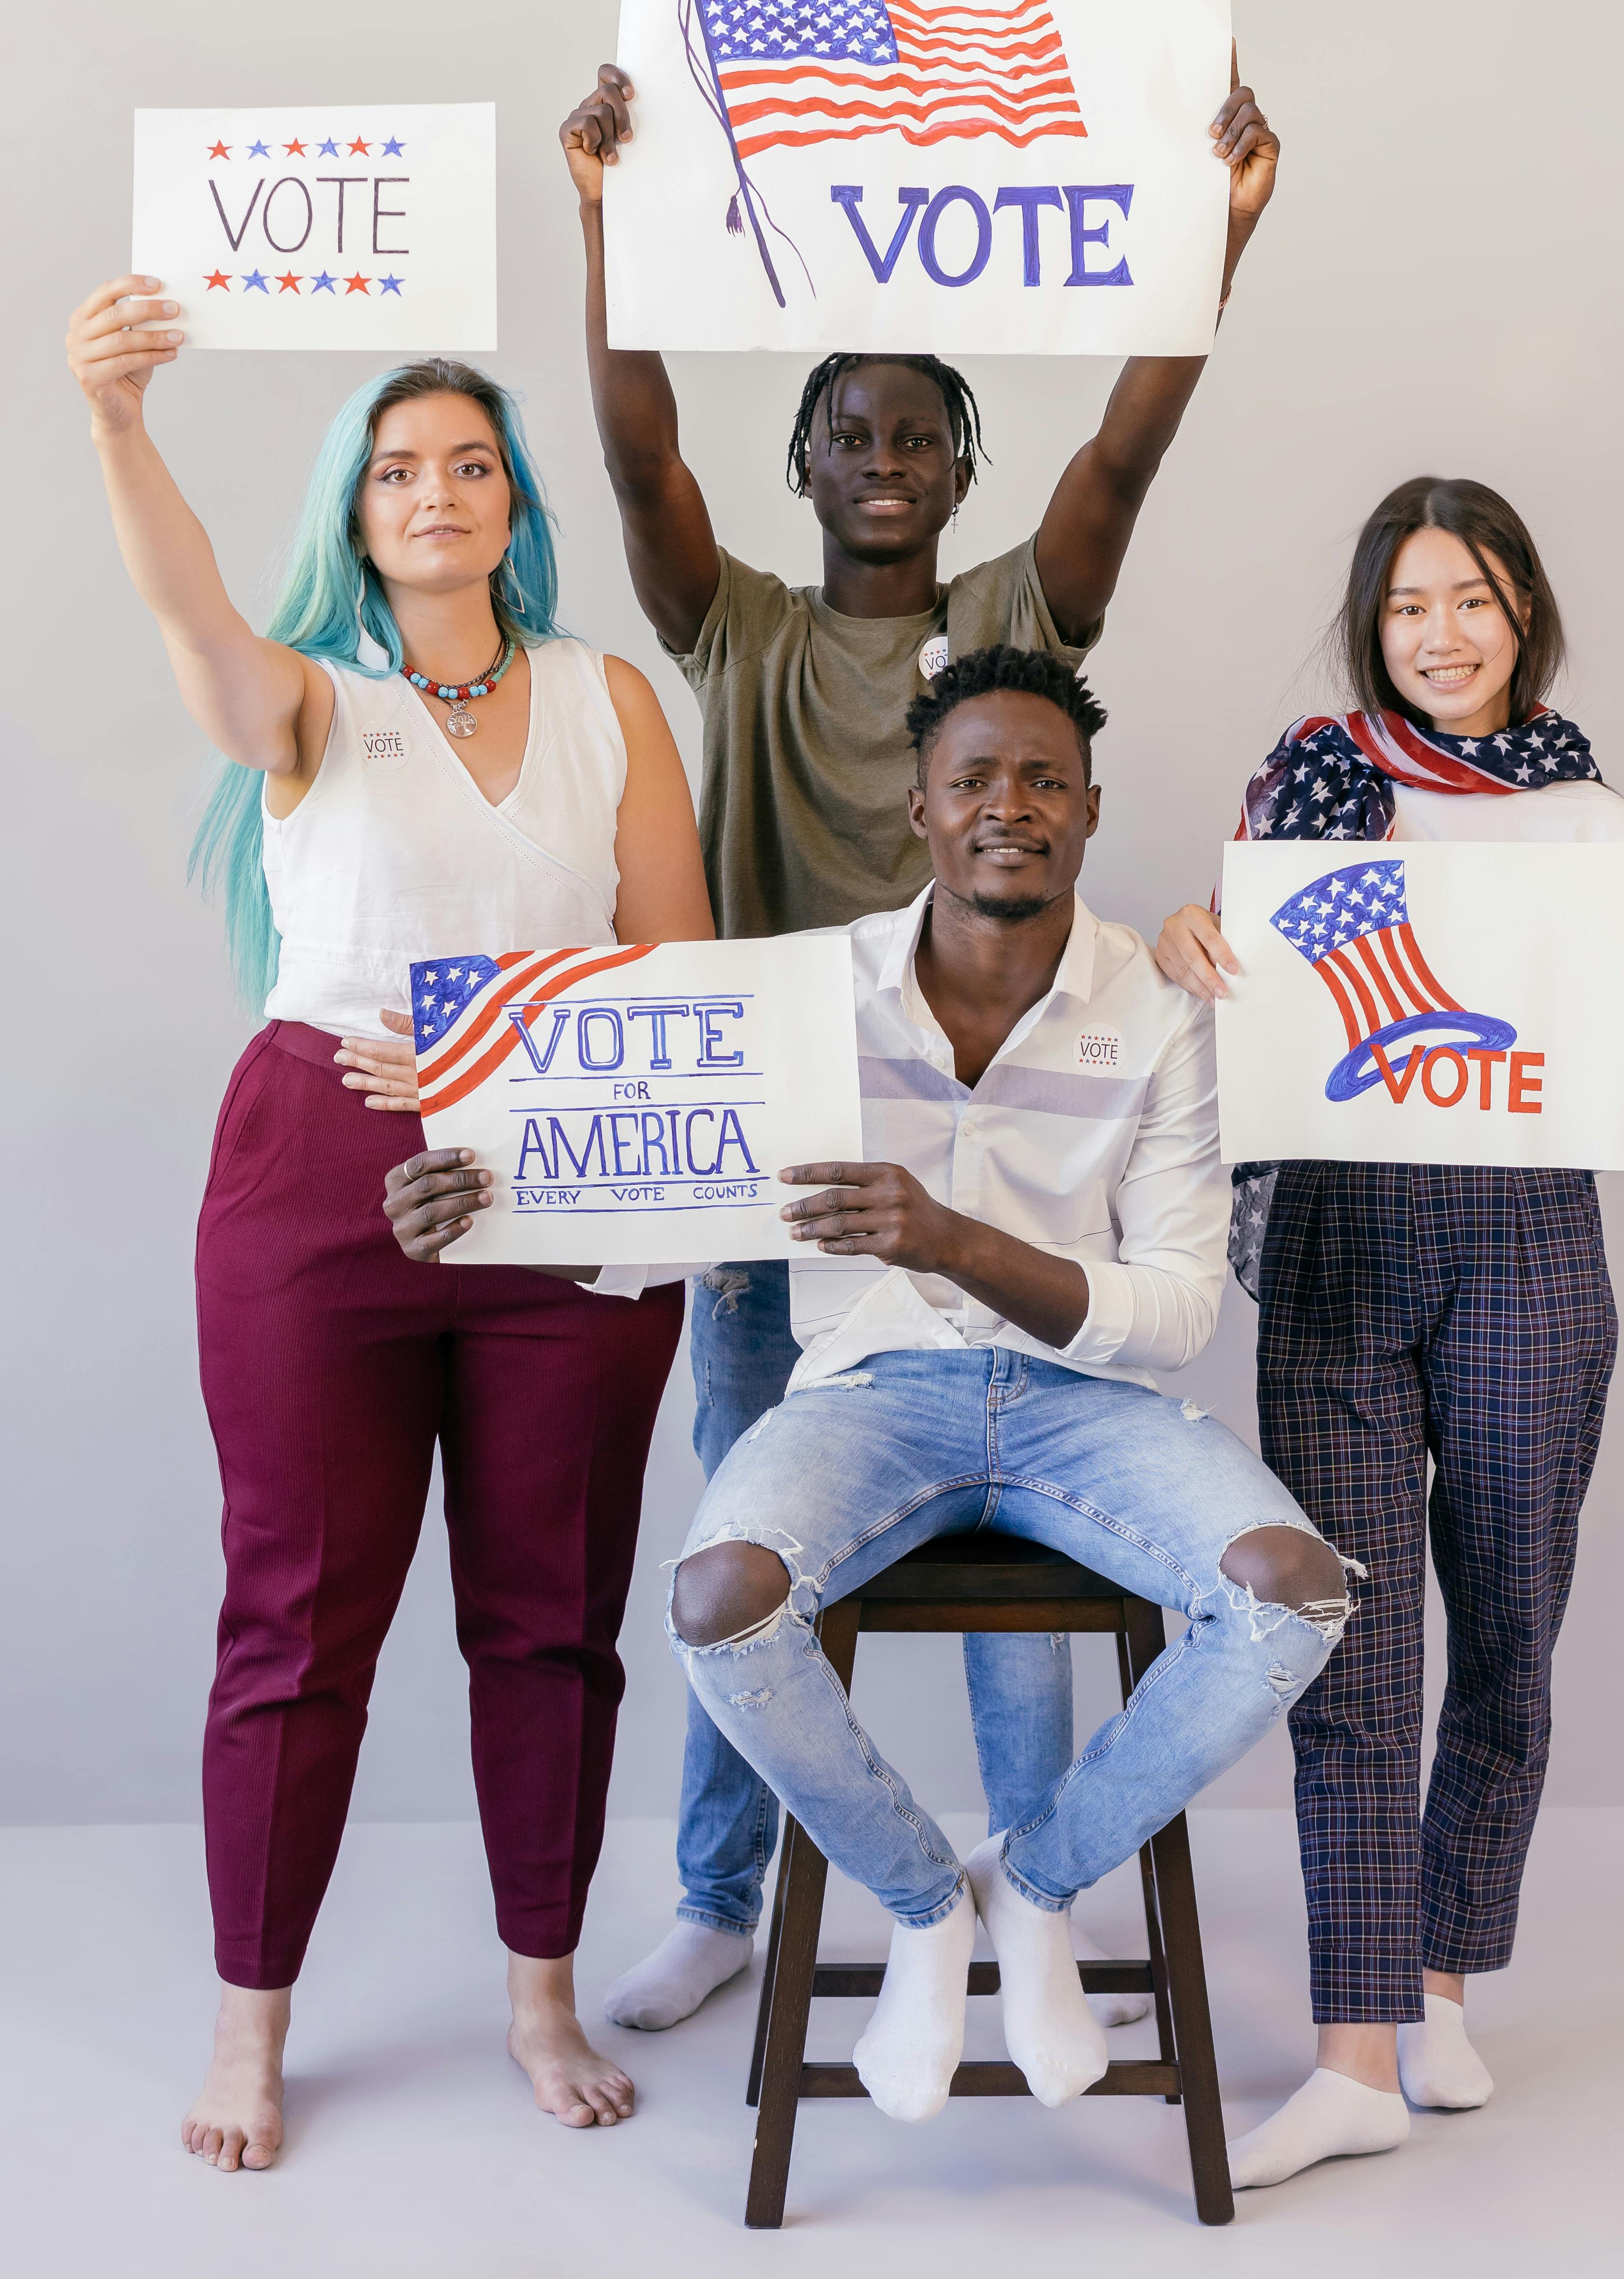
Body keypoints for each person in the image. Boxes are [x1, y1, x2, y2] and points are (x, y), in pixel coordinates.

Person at [556, 51, 1284, 2034]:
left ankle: (1034, 1891)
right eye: (850, 434)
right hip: (779, 1151)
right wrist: (609, 211)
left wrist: (1216, 233)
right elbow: (636, 462)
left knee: (1015, 1461)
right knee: (749, 1501)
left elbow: (1121, 469)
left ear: (959, 470)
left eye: (919, 436)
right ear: (809, 467)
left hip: (998, 1121)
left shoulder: (998, 623)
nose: (885, 455)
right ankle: (721, 1893)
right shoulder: (748, 630)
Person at [387, 648, 1353, 2121]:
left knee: (1296, 1587)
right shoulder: (807, 998)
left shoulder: (1161, 1015)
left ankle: (1034, 1879)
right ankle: (922, 1902)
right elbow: (666, 1204)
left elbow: (1175, 1308)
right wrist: (492, 1202)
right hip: (866, 1398)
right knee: (716, 1598)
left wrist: (956, 1238)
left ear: (1092, 809)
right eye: (974, 778)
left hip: (1080, 1403)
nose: (1008, 805)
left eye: (1043, 779)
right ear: (920, 808)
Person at [66, 280, 713, 2172]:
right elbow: (189, 613)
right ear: (356, 511)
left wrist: (520, 1079)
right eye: (399, 469)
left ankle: (541, 1996)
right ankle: (250, 2028)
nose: (437, 491)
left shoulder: (611, 699)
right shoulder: (306, 698)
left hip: (569, 1178)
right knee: (298, 1617)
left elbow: (674, 963)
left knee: (552, 1621)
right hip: (320, 1175)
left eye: (473, 465)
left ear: (518, 505)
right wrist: (118, 423)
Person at [1154, 475, 1624, 2188]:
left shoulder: (1595, 828)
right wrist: (1199, 938)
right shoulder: (1307, 793)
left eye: (1473, 599)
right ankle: (1352, 2055)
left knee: (1508, 1626)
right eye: (1412, 604)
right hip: (1344, 1234)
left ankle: (1438, 1980)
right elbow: (1246, 1030)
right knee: (1346, 1636)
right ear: (1375, 622)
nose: (1443, 634)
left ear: (1525, 613)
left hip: (1527, 1245)